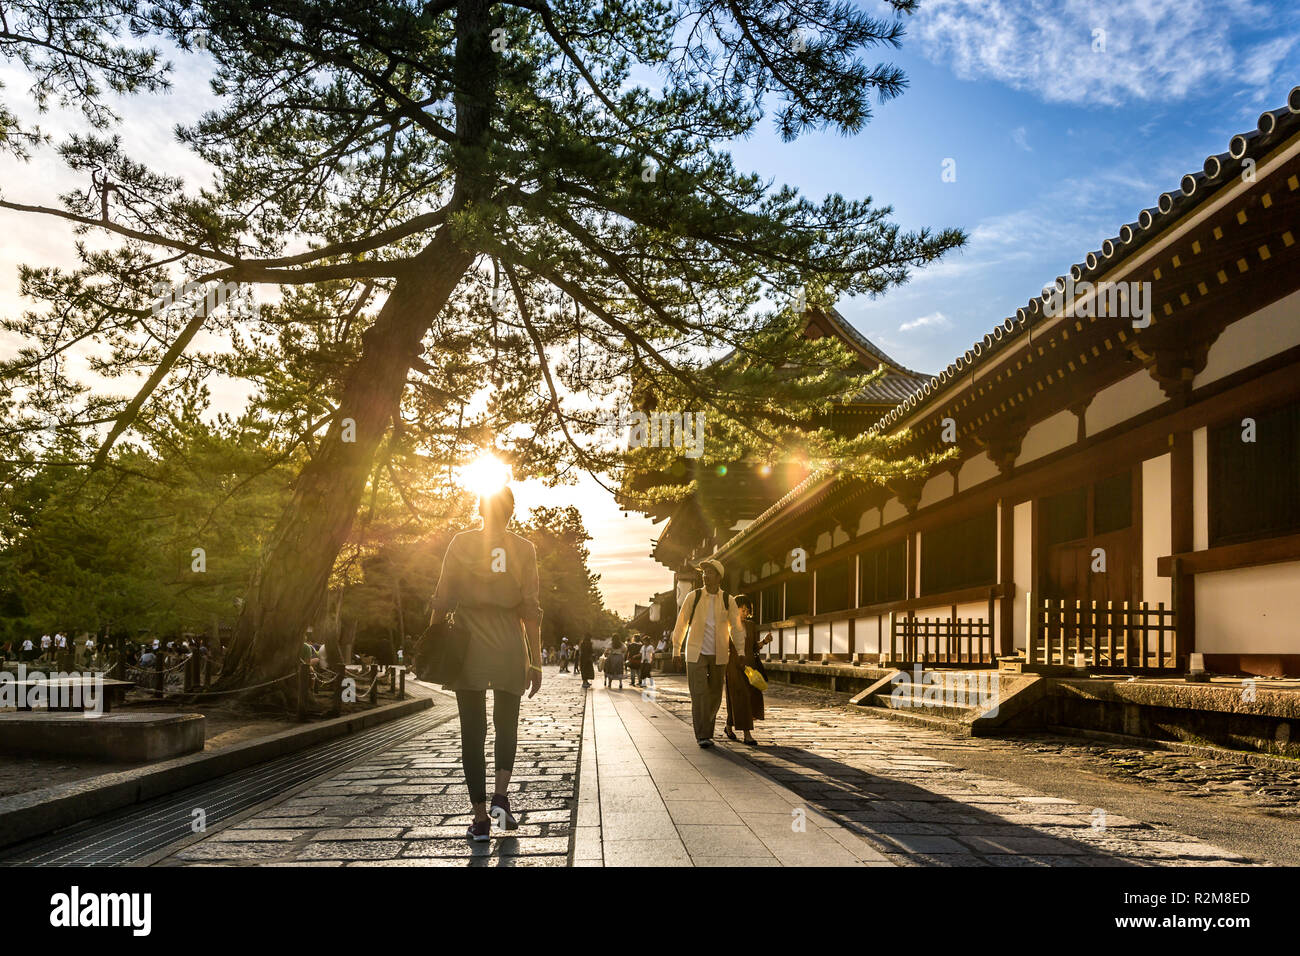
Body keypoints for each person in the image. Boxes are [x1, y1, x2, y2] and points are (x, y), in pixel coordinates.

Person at [428, 485, 543, 843]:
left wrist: (433, 643)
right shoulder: (525, 549)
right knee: (506, 725)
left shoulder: (461, 543)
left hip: (469, 646)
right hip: (509, 645)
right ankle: (501, 799)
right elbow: (531, 611)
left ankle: (479, 819)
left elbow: (442, 596)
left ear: (479, 509)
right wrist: (535, 661)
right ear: (512, 512)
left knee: (472, 732)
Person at [671, 558, 746, 748]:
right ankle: (702, 735)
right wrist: (676, 650)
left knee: (714, 696)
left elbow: (736, 628)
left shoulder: (728, 600)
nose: (705, 576)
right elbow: (681, 624)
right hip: (696, 652)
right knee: (699, 694)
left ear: (719, 577)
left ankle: (707, 731)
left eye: (709, 573)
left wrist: (741, 650)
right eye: (703, 573)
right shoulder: (693, 597)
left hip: (719, 654)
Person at [724, 595, 771, 745]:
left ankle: (728, 726)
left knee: (748, 697)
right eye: (742, 609)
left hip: (750, 666)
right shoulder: (728, 625)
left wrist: (764, 641)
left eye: (747, 610)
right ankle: (747, 734)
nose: (744, 613)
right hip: (734, 666)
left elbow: (752, 647)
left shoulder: (751, 626)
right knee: (740, 697)